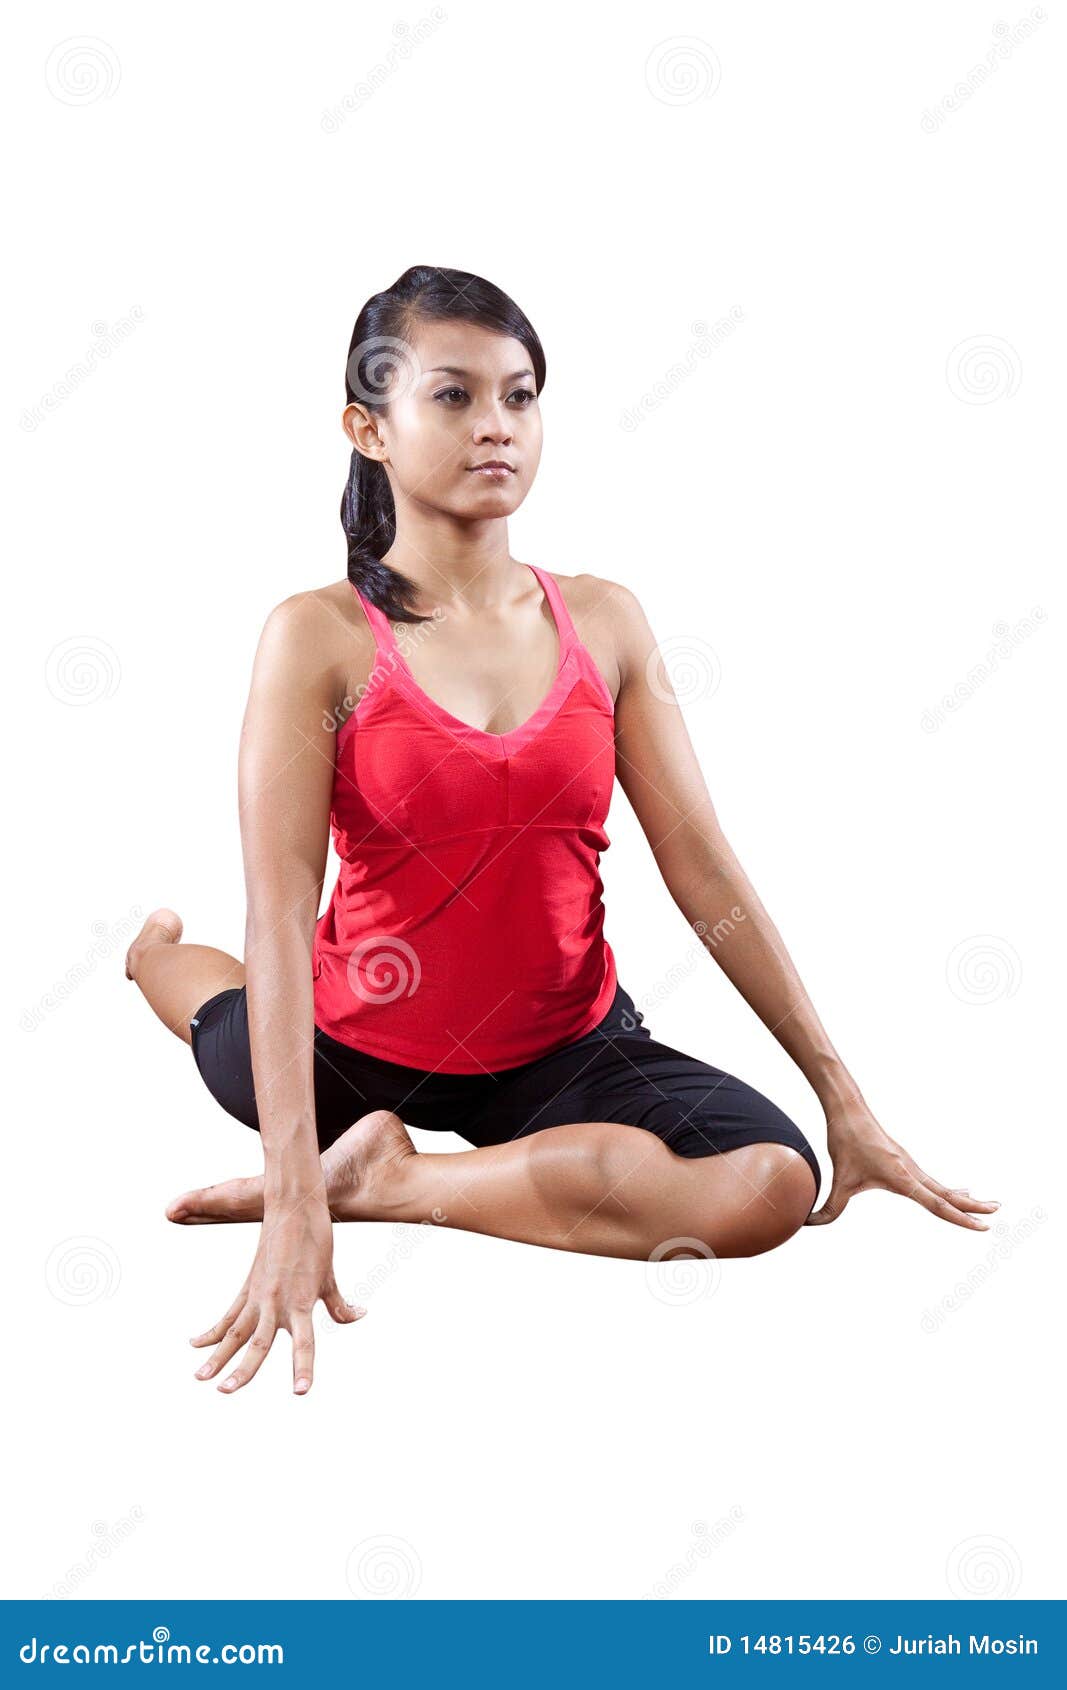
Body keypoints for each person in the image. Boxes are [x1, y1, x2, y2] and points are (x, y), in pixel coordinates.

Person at [126, 265, 998, 1397]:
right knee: (218, 999)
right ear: (367, 427)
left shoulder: (602, 619)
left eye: (520, 395)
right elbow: (281, 908)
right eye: (452, 397)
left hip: (557, 1048)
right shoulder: (319, 636)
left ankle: (390, 1179)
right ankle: (151, 950)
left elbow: (705, 871)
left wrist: (843, 1098)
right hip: (350, 1044)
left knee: (770, 1185)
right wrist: (289, 1185)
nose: (496, 426)